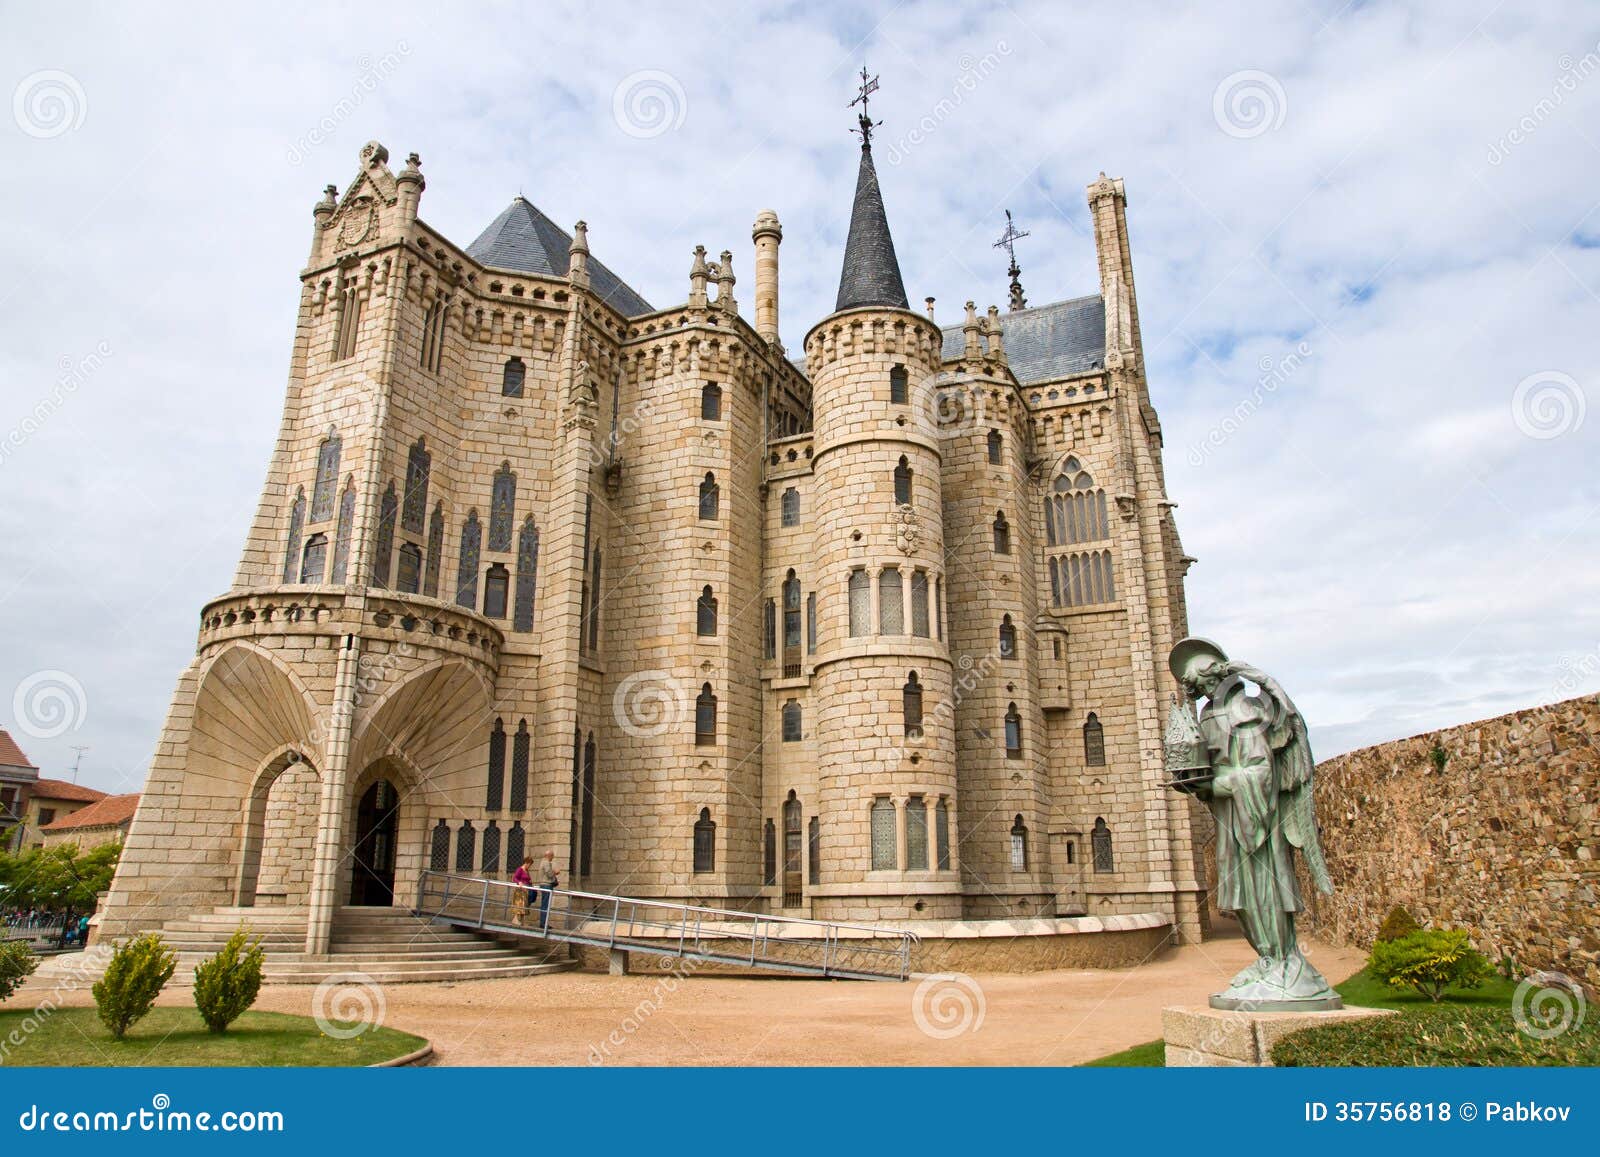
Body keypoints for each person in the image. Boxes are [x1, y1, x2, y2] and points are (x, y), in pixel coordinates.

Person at [536, 850, 559, 930]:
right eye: (552, 856)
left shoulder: (544, 862)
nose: (553, 858)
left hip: (545, 885)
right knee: (545, 905)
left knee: (545, 905)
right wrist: (556, 872)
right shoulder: (546, 863)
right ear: (549, 856)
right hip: (546, 886)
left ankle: (544, 923)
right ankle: (543, 924)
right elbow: (549, 874)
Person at [510, 856, 534, 927]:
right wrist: (519, 882)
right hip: (520, 890)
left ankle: (522, 921)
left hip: (526, 890)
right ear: (526, 863)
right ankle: (516, 919)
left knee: (524, 906)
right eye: (529, 864)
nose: (530, 866)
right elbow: (515, 878)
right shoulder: (520, 869)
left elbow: (528, 880)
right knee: (519, 905)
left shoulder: (527, 871)